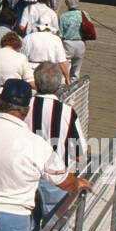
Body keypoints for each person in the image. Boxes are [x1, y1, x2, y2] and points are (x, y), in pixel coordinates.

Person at [0, 79, 91, 231]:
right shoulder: (36, 144)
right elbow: (65, 182)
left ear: (0, 102)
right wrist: (78, 182)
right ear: (26, 110)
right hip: (11, 223)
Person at [28, 62, 87, 216]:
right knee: (56, 227)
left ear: (36, 81)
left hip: (26, 176)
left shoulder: (23, 107)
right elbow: (79, 154)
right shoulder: (67, 112)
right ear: (59, 84)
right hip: (55, 178)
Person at [58, 0, 88, 80]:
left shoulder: (63, 16)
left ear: (67, 2)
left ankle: (64, 87)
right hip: (81, 43)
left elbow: (60, 34)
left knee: (65, 70)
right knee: (76, 71)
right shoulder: (84, 14)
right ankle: (75, 85)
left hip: (68, 43)